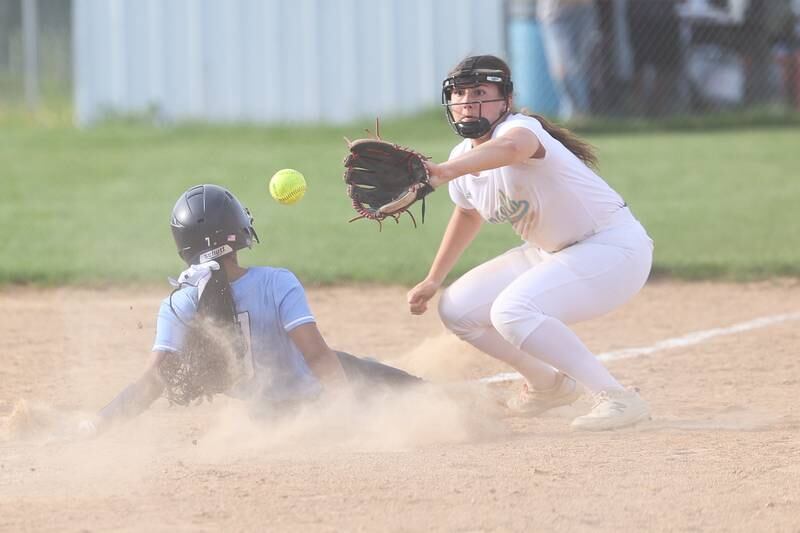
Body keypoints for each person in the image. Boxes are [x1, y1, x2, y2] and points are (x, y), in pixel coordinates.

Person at [407, 55, 654, 431]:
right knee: (457, 309)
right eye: (460, 94)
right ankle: (548, 384)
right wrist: (433, 278)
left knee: (511, 310)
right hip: (550, 253)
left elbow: (511, 151)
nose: (469, 103)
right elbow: (469, 213)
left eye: (480, 92)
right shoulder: (462, 159)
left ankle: (617, 397)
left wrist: (444, 172)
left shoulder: (520, 130)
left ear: (505, 99)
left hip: (613, 249)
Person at [80, 184, 421, 436]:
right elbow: (317, 357)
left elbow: (153, 381)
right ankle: (452, 396)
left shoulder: (178, 304)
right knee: (373, 375)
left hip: (268, 419)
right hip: (317, 401)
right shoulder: (276, 282)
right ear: (238, 231)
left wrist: (100, 423)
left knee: (360, 366)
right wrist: (348, 412)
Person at [536, 0, 601, 119]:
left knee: (581, 66)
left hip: (583, 10)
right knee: (562, 67)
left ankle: (582, 113)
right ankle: (572, 111)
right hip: (556, 14)